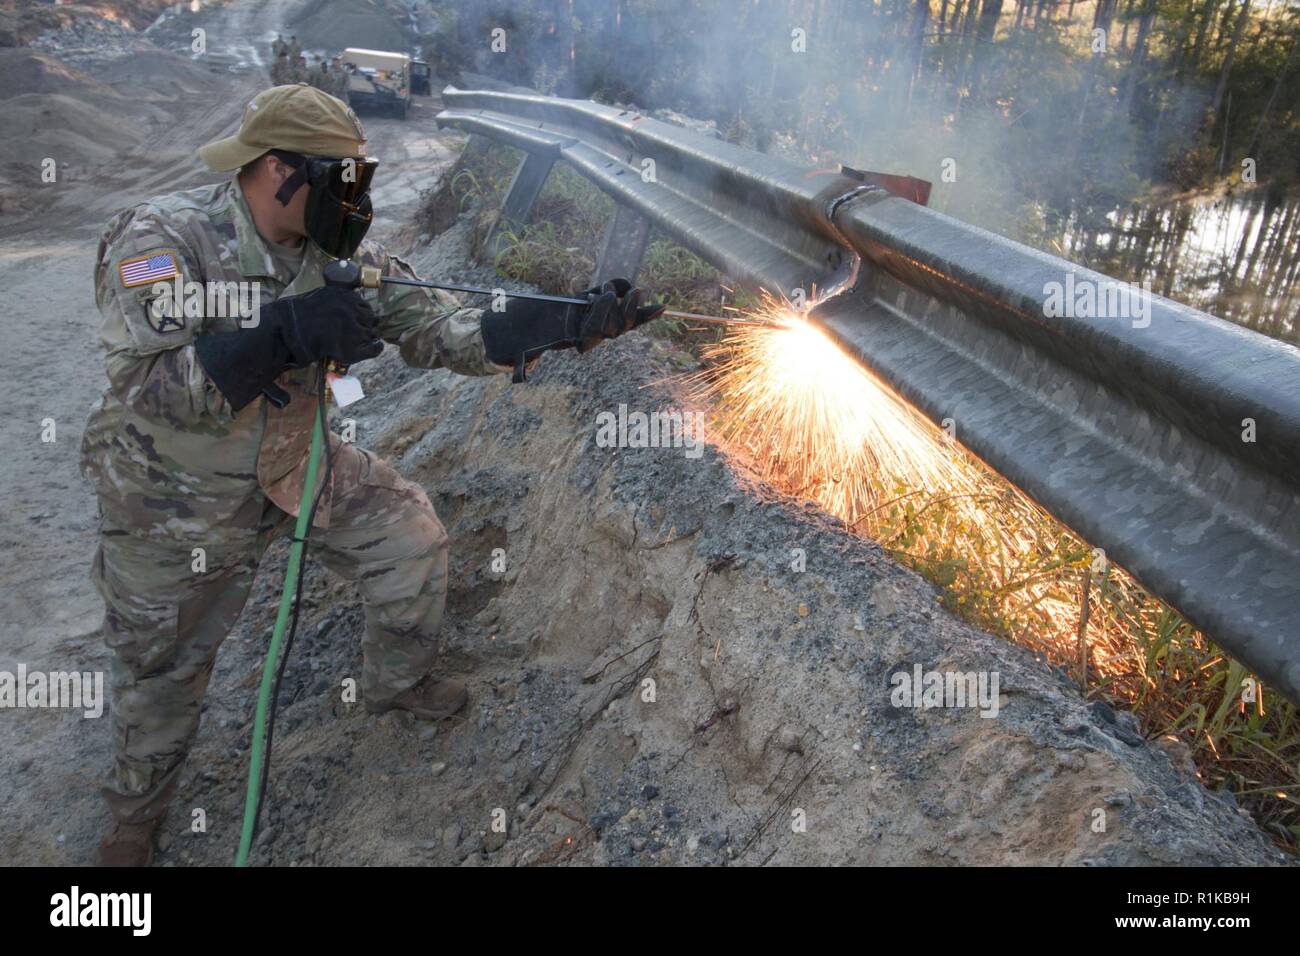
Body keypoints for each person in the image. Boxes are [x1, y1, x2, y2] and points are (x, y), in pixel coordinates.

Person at [82, 84, 660, 865]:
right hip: (171, 497)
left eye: (362, 178)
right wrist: (279, 333)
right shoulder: (165, 241)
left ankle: (396, 683)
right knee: (161, 668)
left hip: (294, 468)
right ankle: (136, 816)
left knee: (409, 537)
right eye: (342, 180)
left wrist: (564, 324)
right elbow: (146, 388)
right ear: (277, 170)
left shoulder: (344, 259)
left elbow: (442, 331)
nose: (356, 199)